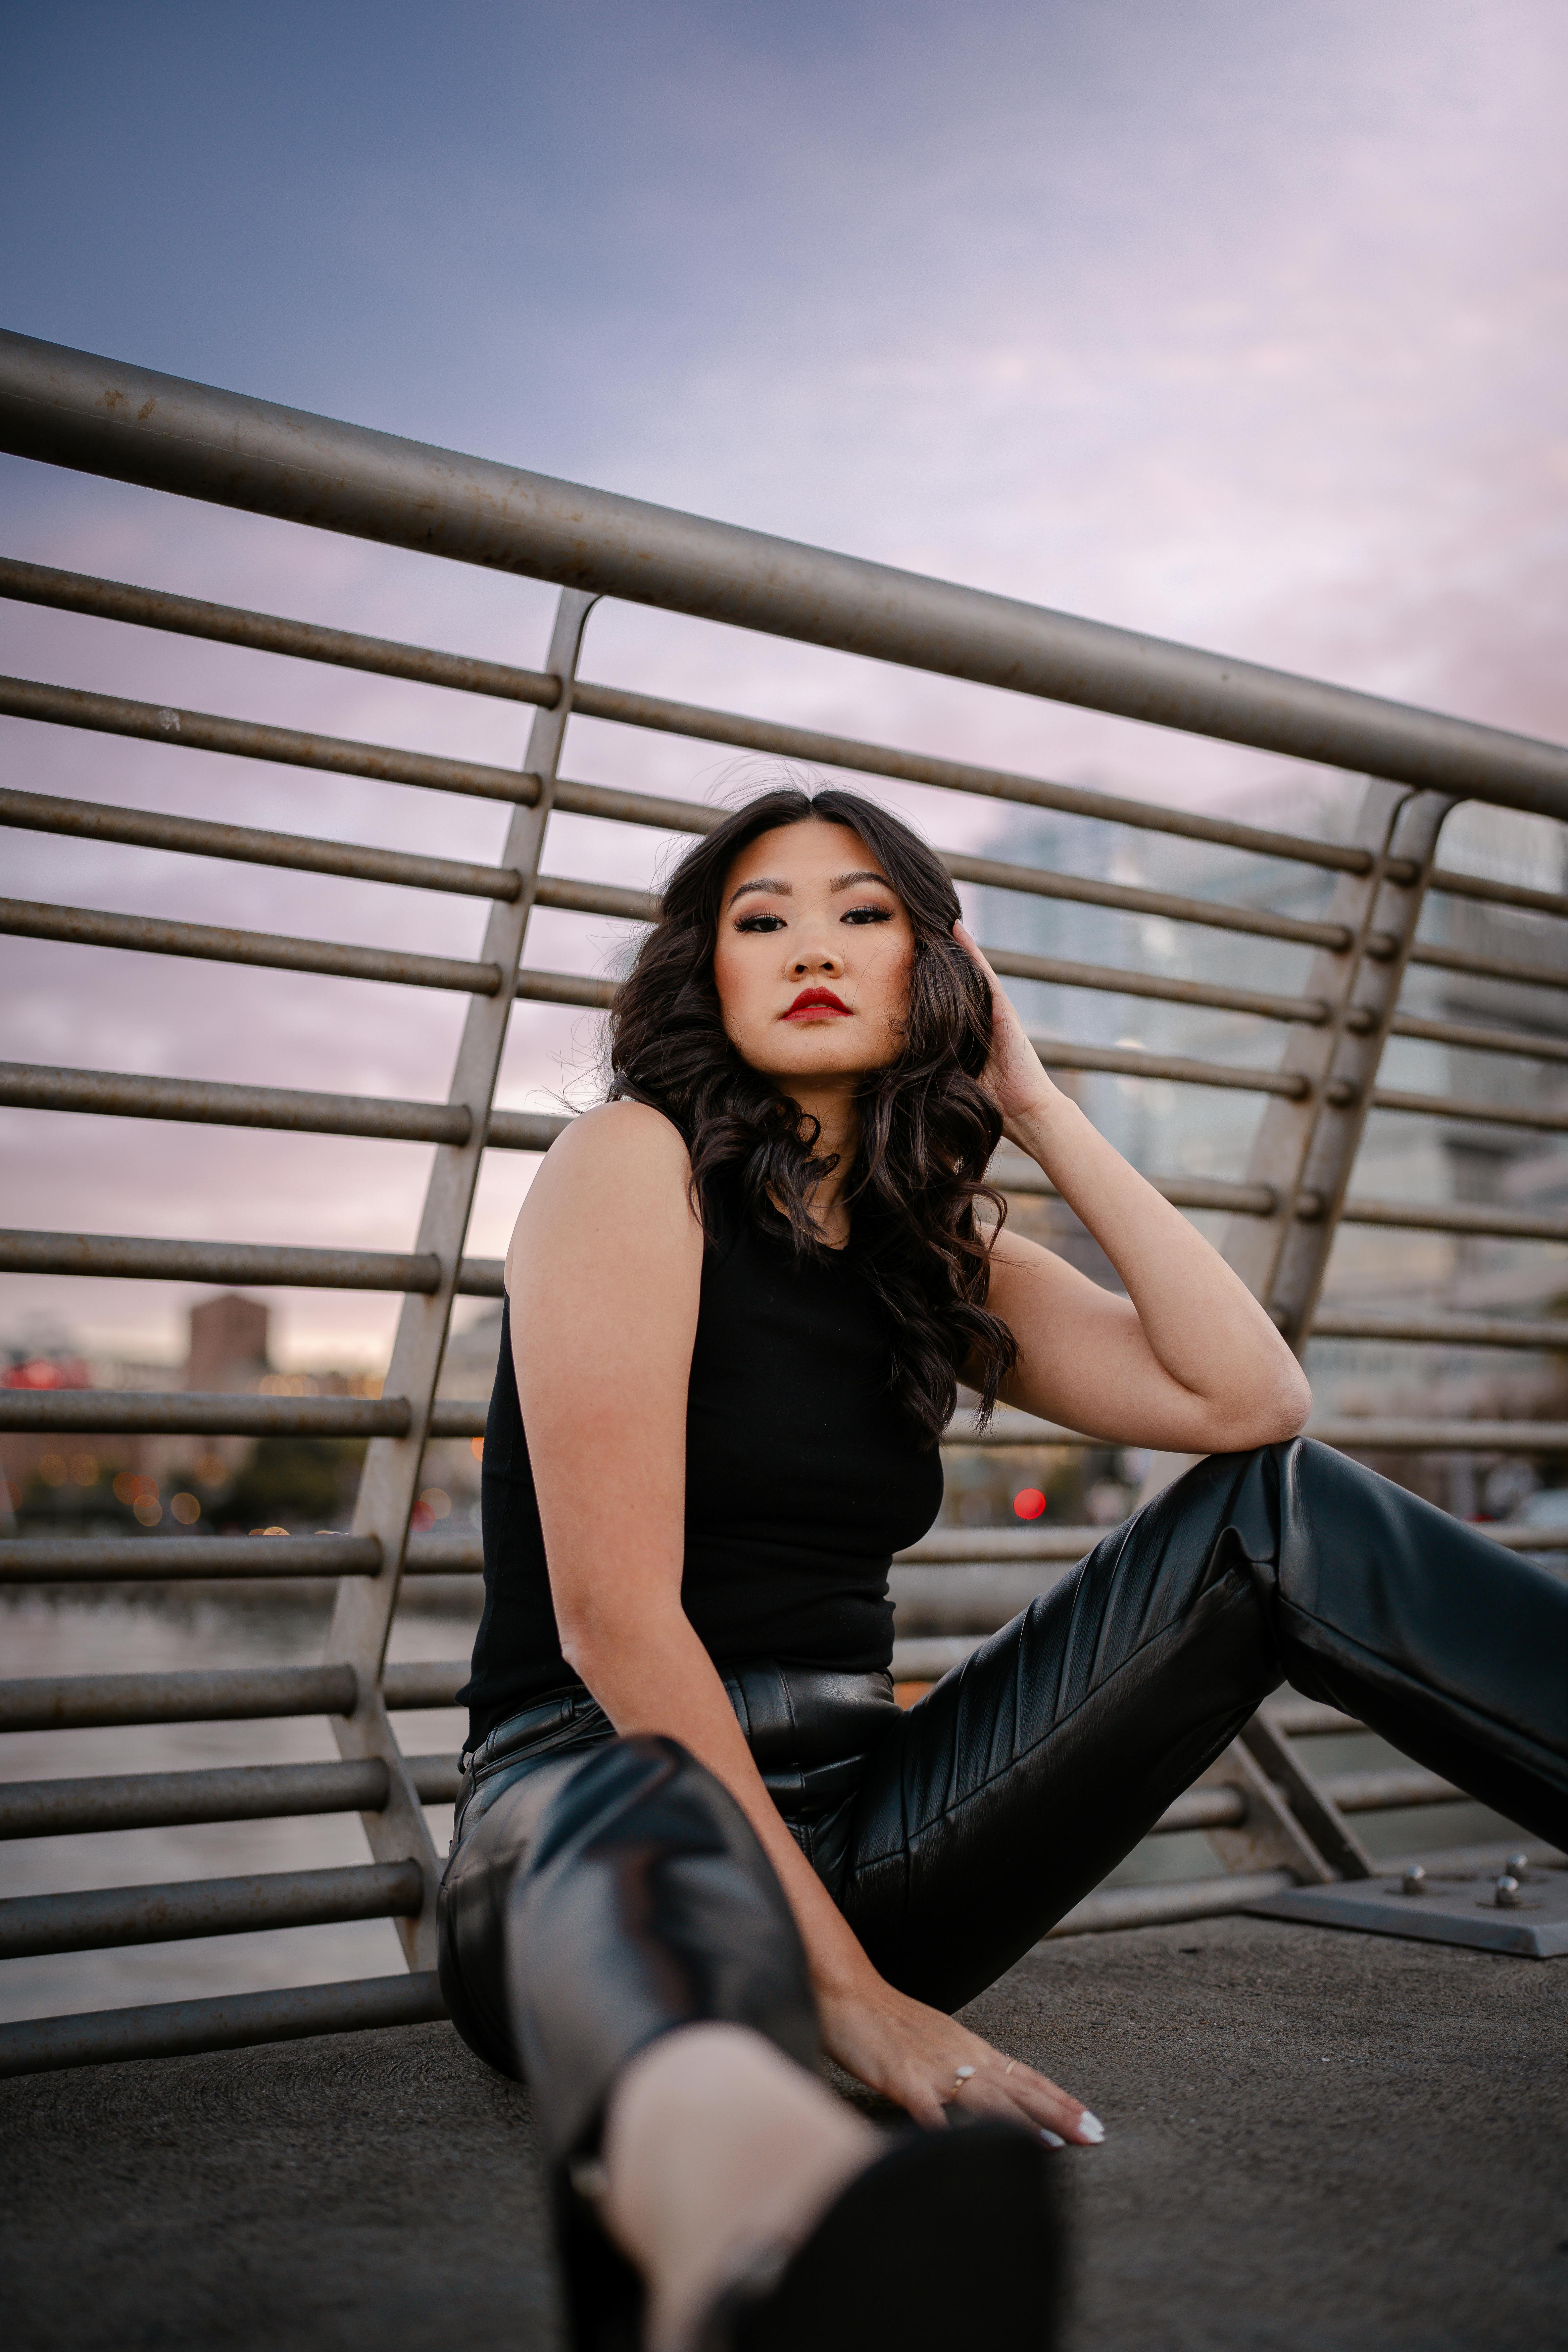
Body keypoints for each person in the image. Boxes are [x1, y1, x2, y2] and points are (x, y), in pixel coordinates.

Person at [438, 783, 1568, 2352]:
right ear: (706, 976)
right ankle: (759, 2249)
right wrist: (851, 2001)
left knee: (1276, 1510)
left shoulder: (937, 1252)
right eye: (759, 921)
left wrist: (1034, 1102)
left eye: (863, 915)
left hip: (870, 1831)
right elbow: (613, 1620)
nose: (810, 947)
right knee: (656, 1869)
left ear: (936, 970)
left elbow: (1250, 1404)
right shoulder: (630, 1166)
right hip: (589, 1817)